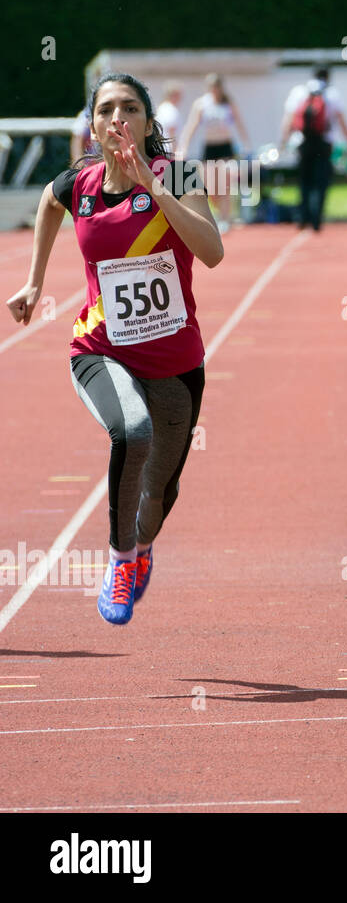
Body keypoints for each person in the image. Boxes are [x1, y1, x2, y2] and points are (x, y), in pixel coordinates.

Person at [6, 73, 223, 625]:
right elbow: (48, 206)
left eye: (130, 107)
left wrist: (153, 188)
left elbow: (213, 251)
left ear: (149, 123)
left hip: (175, 364)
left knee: (161, 490)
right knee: (132, 432)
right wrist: (35, 281)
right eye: (106, 109)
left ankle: (142, 547)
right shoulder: (78, 185)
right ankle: (121, 559)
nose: (118, 118)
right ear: (93, 125)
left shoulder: (181, 175)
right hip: (100, 348)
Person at [177, 74, 250, 234]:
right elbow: (191, 126)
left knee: (224, 185)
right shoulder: (201, 104)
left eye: (217, 87)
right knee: (210, 188)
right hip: (209, 148)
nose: (215, 90)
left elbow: (239, 123)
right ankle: (219, 214)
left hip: (225, 148)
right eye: (212, 87)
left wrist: (246, 145)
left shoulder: (228, 103)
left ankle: (225, 219)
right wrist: (184, 147)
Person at [280, 65, 347, 233]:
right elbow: (340, 119)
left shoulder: (299, 91)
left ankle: (303, 217)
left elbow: (289, 118)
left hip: (303, 142)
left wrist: (283, 141)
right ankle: (317, 220)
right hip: (324, 143)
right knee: (321, 181)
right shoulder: (332, 93)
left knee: (305, 181)